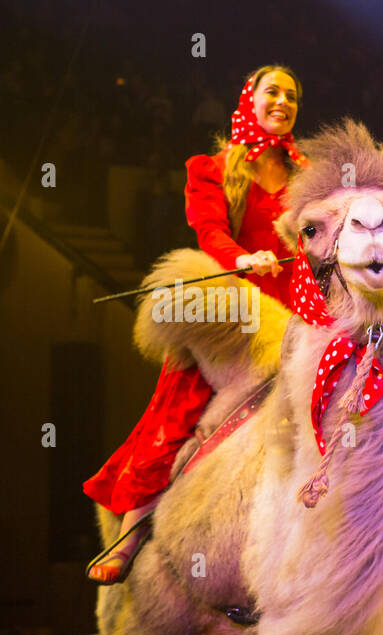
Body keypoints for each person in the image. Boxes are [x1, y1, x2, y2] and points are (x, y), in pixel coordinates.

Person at [84, 65, 308, 584]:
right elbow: (209, 234)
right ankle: (133, 530)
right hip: (233, 313)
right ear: (248, 99)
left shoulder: (309, 176)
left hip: (294, 318)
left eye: (292, 96)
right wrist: (244, 258)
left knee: (362, 395)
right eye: (272, 91)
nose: (283, 102)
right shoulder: (212, 168)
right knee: (177, 410)